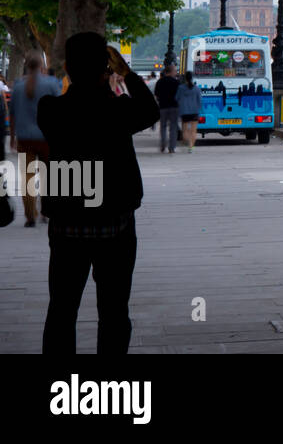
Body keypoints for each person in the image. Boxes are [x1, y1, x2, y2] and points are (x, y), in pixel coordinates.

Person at [38, 33, 158, 354]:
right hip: (114, 225)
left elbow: (74, 106)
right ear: (105, 69)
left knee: (62, 311)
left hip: (67, 228)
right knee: (114, 312)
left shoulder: (51, 110)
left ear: (68, 68)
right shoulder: (118, 111)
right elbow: (150, 111)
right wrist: (126, 74)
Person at [10, 56, 62, 227]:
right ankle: (47, 211)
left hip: (25, 138)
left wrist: (12, 137)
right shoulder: (51, 84)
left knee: (27, 177)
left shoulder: (17, 86)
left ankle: (30, 215)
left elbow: (13, 114)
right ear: (42, 67)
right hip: (48, 138)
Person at [154, 63, 181, 154]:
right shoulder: (176, 82)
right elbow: (179, 95)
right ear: (172, 72)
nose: (176, 73)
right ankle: (172, 147)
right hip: (174, 107)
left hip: (163, 107)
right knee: (173, 127)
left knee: (163, 127)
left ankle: (163, 145)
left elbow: (156, 94)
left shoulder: (160, 82)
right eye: (175, 71)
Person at [177, 71, 203, 152]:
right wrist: (200, 110)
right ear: (192, 78)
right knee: (193, 130)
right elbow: (200, 101)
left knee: (185, 130)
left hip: (184, 112)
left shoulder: (181, 88)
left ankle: (188, 142)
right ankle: (191, 146)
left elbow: (176, 98)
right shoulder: (197, 88)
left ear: (185, 78)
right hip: (194, 112)